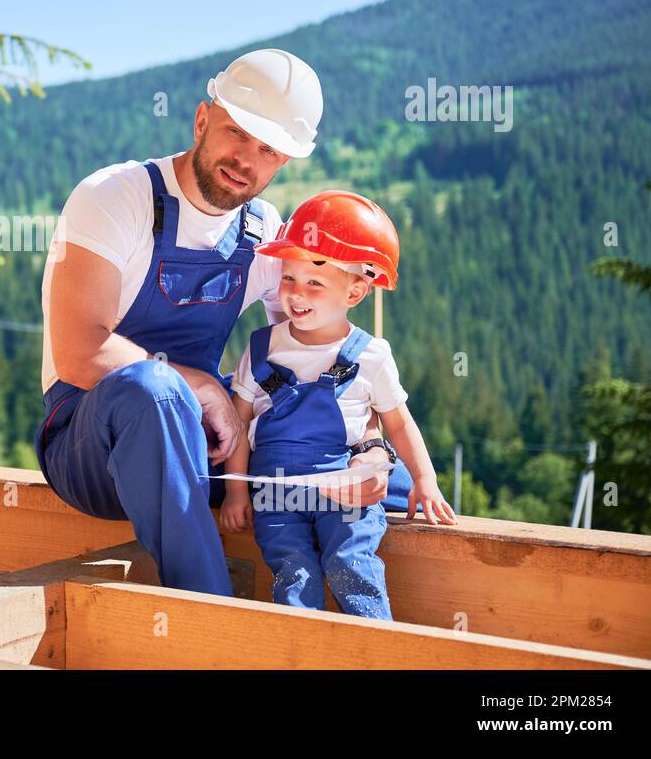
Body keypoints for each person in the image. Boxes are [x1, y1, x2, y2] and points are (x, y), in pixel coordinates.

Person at [34, 48, 414, 598]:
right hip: (88, 448)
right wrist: (203, 385)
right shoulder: (116, 198)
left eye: (268, 149)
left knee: (391, 483)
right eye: (237, 133)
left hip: (205, 449)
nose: (246, 160)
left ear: (284, 160)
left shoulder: (264, 232)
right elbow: (77, 352)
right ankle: (213, 616)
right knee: (155, 390)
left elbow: (318, 363)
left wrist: (370, 450)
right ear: (202, 119)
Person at [217, 190, 457, 619]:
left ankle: (374, 648)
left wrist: (425, 480)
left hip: (346, 491)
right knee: (293, 573)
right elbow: (238, 423)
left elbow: (399, 424)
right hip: (277, 492)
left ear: (355, 292)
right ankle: (303, 653)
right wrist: (236, 491)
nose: (296, 293)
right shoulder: (260, 349)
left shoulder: (370, 356)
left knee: (350, 564)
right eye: (289, 278)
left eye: (315, 283)